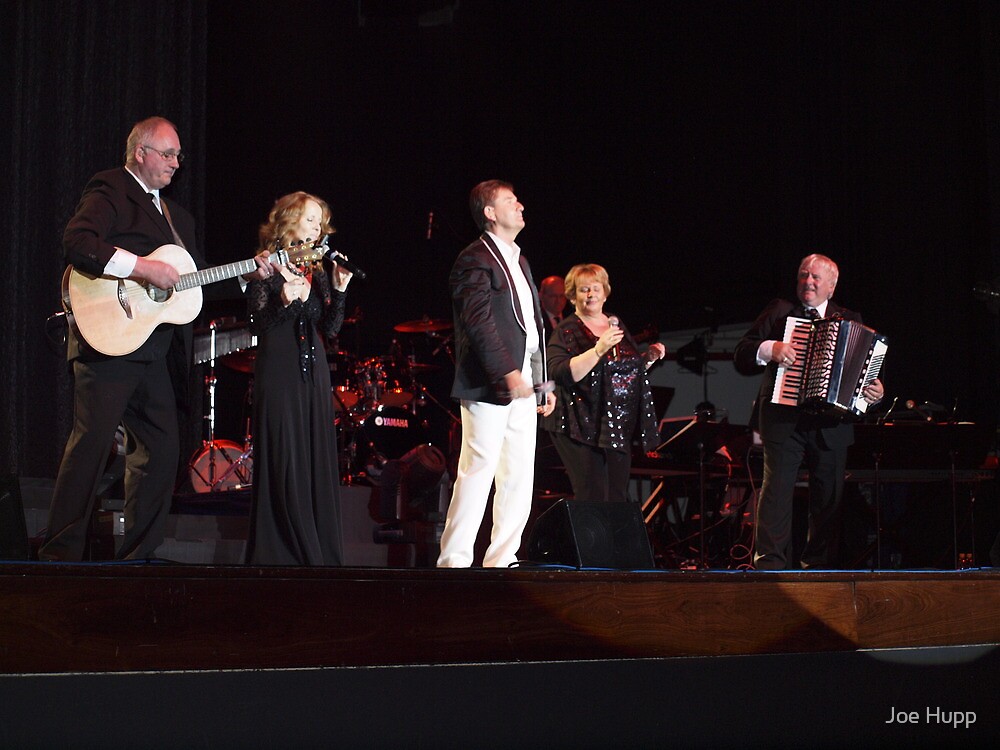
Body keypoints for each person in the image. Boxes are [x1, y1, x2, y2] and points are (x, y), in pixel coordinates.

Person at [39, 116, 275, 562]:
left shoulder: (176, 216)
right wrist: (144, 268)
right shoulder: (111, 189)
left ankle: (138, 558)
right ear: (140, 153)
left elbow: (195, 282)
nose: (175, 163)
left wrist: (248, 275)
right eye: (167, 154)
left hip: (153, 353)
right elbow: (78, 243)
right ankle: (59, 556)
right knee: (91, 445)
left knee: (163, 450)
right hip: (108, 341)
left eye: (178, 156)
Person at [734, 253, 884, 570]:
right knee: (776, 492)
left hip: (829, 423)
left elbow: (862, 372)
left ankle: (818, 565)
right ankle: (770, 564)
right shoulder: (779, 312)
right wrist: (769, 349)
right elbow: (742, 353)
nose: (808, 282)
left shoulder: (849, 318)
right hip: (783, 418)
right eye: (804, 275)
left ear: (832, 286)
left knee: (828, 497)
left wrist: (874, 391)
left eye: (816, 277)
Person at [436, 180, 556, 568]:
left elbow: (534, 327)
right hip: (491, 381)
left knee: (519, 474)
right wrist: (506, 372)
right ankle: (453, 561)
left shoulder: (520, 260)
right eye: (510, 201)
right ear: (489, 213)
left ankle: (503, 558)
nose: (520, 205)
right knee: (479, 468)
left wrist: (541, 382)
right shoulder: (474, 258)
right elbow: (478, 322)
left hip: (523, 383)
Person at [244, 192, 353, 566]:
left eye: (320, 221)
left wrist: (338, 292)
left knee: (313, 454)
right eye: (310, 219)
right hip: (279, 371)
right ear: (289, 220)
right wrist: (282, 301)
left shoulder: (316, 270)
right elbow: (256, 324)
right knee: (284, 454)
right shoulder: (266, 267)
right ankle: (281, 551)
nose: (317, 227)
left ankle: (318, 551)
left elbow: (331, 328)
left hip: (314, 373)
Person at [541, 264, 666, 503]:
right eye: (583, 289)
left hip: (611, 423)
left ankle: (612, 540)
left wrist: (647, 359)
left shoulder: (613, 324)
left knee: (618, 495)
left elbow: (623, 370)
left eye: (595, 288)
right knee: (592, 494)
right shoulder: (566, 329)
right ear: (572, 296)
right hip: (576, 422)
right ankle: (592, 540)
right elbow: (560, 373)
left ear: (605, 292)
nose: (591, 295)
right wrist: (598, 349)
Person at [539, 275, 568, 341]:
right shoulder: (537, 320)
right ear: (541, 296)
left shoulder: (572, 316)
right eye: (553, 296)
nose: (558, 301)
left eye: (561, 296)